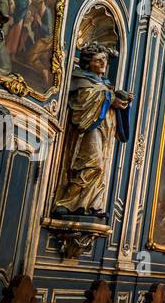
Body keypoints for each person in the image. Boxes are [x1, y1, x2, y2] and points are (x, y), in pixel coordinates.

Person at [51, 48, 132, 219]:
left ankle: (90, 205)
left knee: (101, 168)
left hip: (105, 130)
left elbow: (107, 98)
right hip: (90, 129)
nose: (103, 63)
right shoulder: (81, 80)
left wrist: (122, 102)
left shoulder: (103, 84)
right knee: (93, 165)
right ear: (89, 63)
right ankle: (65, 202)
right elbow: (81, 103)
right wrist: (110, 98)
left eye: (104, 59)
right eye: (98, 60)